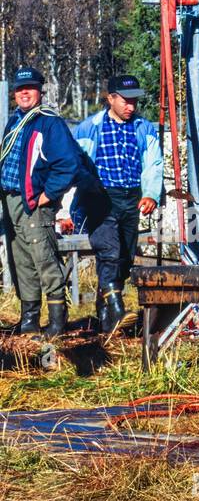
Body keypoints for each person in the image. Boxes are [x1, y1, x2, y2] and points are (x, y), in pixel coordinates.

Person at [1, 66, 99, 338]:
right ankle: (29, 321)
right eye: (20, 89)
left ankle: (57, 321)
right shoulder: (15, 121)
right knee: (21, 261)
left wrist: (48, 195)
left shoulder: (49, 122)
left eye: (29, 88)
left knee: (44, 259)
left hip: (34, 203)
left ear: (39, 91)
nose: (24, 93)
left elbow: (68, 163)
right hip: (11, 201)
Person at [73, 73, 165, 334]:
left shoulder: (143, 128)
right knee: (109, 253)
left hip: (131, 198)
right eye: (125, 101)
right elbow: (76, 165)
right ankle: (116, 307)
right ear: (110, 98)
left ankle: (106, 321)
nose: (131, 107)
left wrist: (150, 194)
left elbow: (153, 164)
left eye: (134, 102)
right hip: (100, 198)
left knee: (124, 257)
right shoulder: (88, 128)